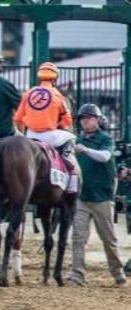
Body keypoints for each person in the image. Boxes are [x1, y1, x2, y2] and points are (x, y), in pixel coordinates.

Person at [69, 104, 126, 287]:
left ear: (97, 120)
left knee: (108, 239)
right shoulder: (77, 140)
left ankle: (117, 273)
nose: (85, 121)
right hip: (82, 197)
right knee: (78, 238)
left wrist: (85, 150)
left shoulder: (105, 139)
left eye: (89, 118)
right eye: (82, 118)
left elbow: (105, 156)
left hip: (102, 197)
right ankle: (77, 275)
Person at [15, 62, 78, 192]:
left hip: (30, 135)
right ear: (55, 78)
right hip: (50, 136)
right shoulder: (58, 95)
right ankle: (70, 172)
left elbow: (18, 118)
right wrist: (59, 123)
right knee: (71, 137)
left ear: (39, 77)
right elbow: (67, 121)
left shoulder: (28, 93)